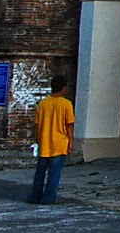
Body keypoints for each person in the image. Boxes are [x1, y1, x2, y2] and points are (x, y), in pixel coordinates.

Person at [26, 75, 74, 204]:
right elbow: (69, 124)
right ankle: (49, 198)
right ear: (63, 87)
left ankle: (35, 196)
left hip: (44, 142)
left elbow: (37, 124)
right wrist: (70, 141)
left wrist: (37, 139)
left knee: (40, 172)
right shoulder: (66, 104)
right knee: (54, 173)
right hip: (59, 142)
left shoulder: (43, 104)